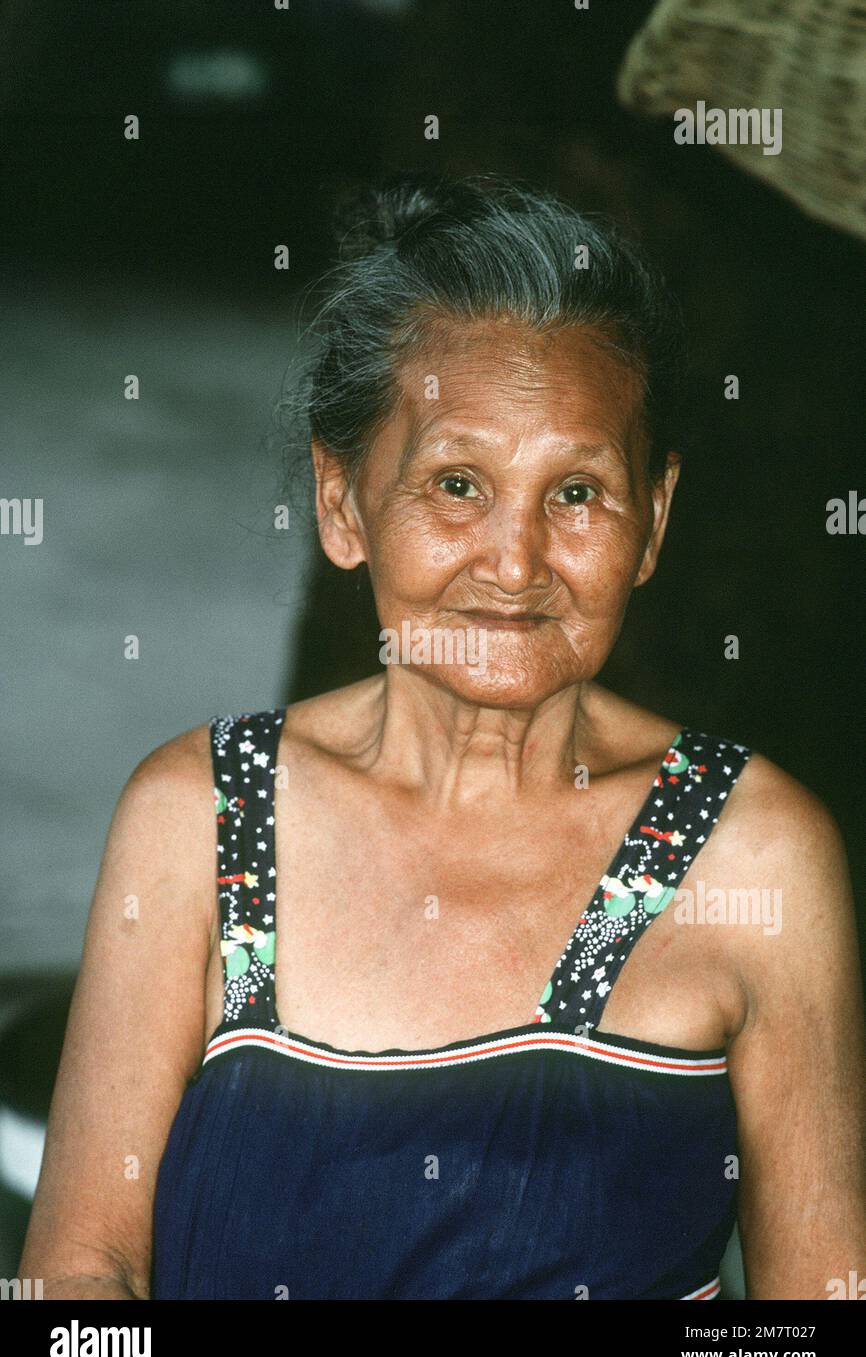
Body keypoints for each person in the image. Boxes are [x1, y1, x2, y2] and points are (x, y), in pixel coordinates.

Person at [19, 173, 866, 1300]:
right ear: (339, 502)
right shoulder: (203, 821)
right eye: (456, 483)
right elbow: (81, 1276)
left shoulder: (750, 856)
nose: (513, 566)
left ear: (650, 521)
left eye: (576, 494)